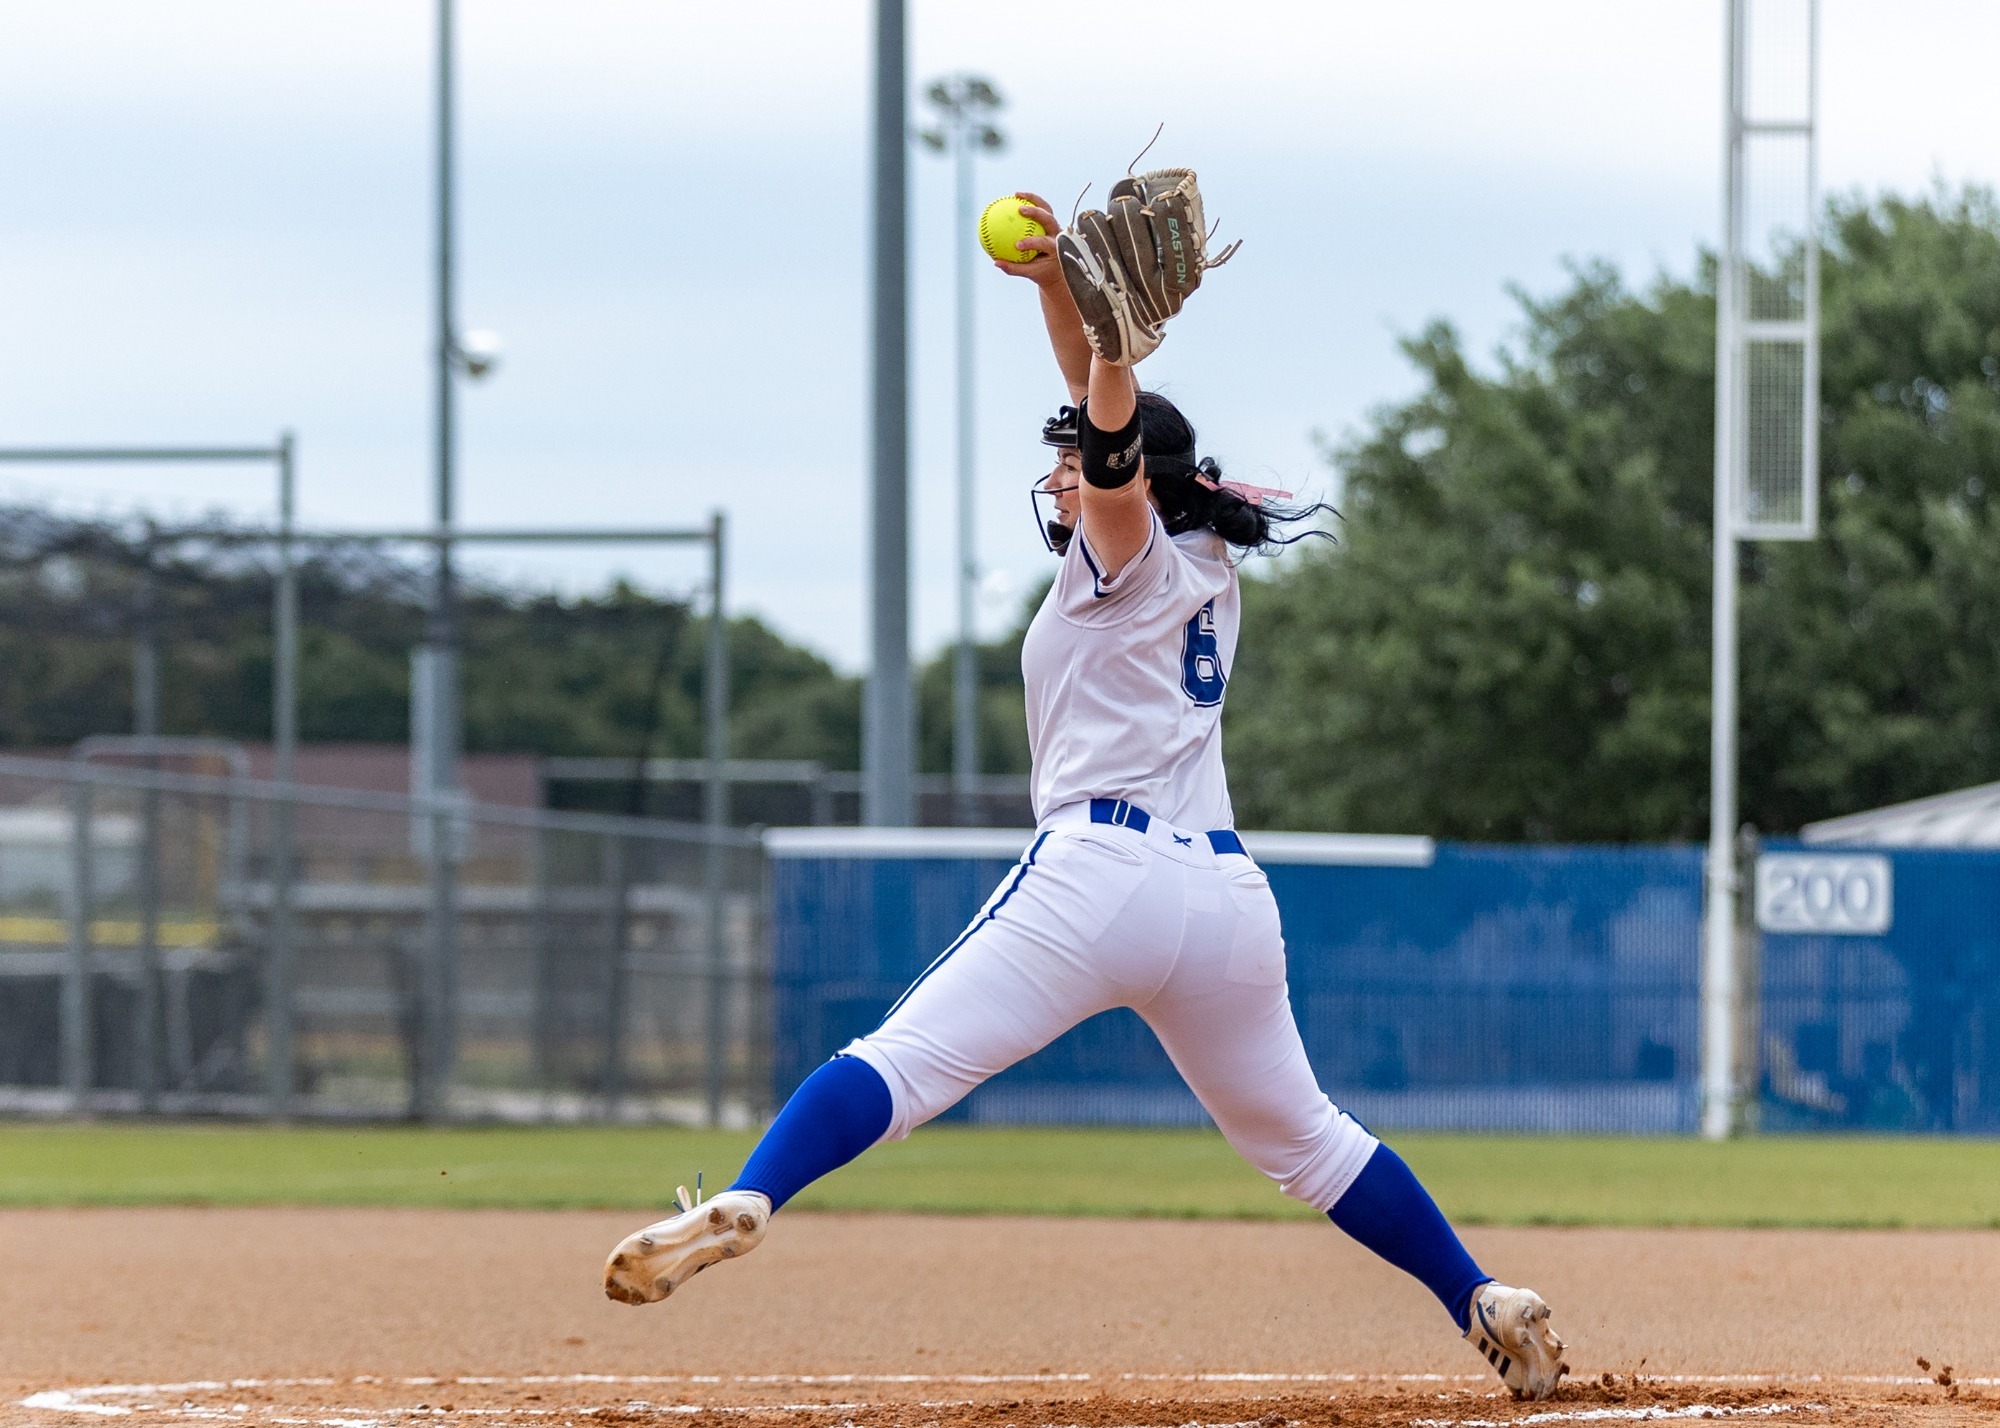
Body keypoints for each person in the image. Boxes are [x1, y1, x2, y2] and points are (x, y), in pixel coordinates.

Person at [603, 170, 1567, 1402]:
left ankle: (745, 1194)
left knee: (900, 1064)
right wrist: (1057, 289)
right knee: (1309, 1142)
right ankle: (1476, 1297)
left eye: (1074, 467)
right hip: (1220, 903)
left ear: (1134, 488)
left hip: (1099, 872)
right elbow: (1103, 419)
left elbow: (1108, 446)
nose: (1061, 480)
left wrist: (1106, 359)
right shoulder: (1208, 555)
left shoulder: (1127, 550)